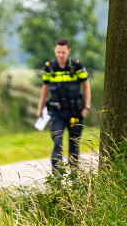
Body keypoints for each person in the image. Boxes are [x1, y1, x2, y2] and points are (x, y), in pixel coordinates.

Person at [38, 37, 90, 173]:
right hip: (57, 112)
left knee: (74, 143)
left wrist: (87, 107)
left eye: (63, 52)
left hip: (75, 111)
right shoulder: (49, 67)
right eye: (58, 52)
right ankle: (57, 174)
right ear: (55, 50)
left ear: (68, 51)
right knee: (57, 140)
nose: (61, 55)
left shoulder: (77, 66)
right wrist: (40, 108)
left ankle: (74, 174)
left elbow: (86, 86)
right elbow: (45, 88)